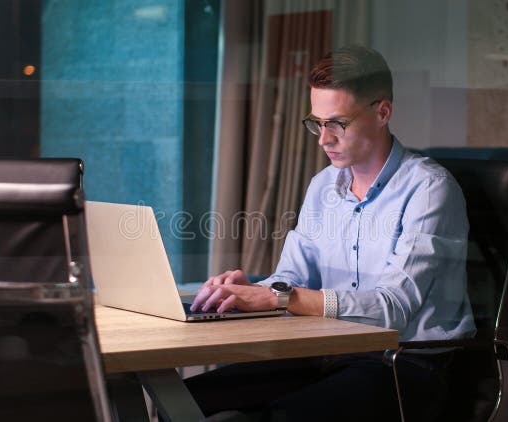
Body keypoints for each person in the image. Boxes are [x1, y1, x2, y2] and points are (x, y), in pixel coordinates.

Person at [187, 45, 475, 421]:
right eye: (317, 124)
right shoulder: (323, 185)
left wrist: (277, 297)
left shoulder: (430, 189)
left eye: (337, 123)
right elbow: (292, 279)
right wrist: (255, 290)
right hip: (325, 352)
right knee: (185, 399)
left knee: (280, 417)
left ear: (382, 112)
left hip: (406, 364)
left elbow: (393, 309)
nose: (323, 139)